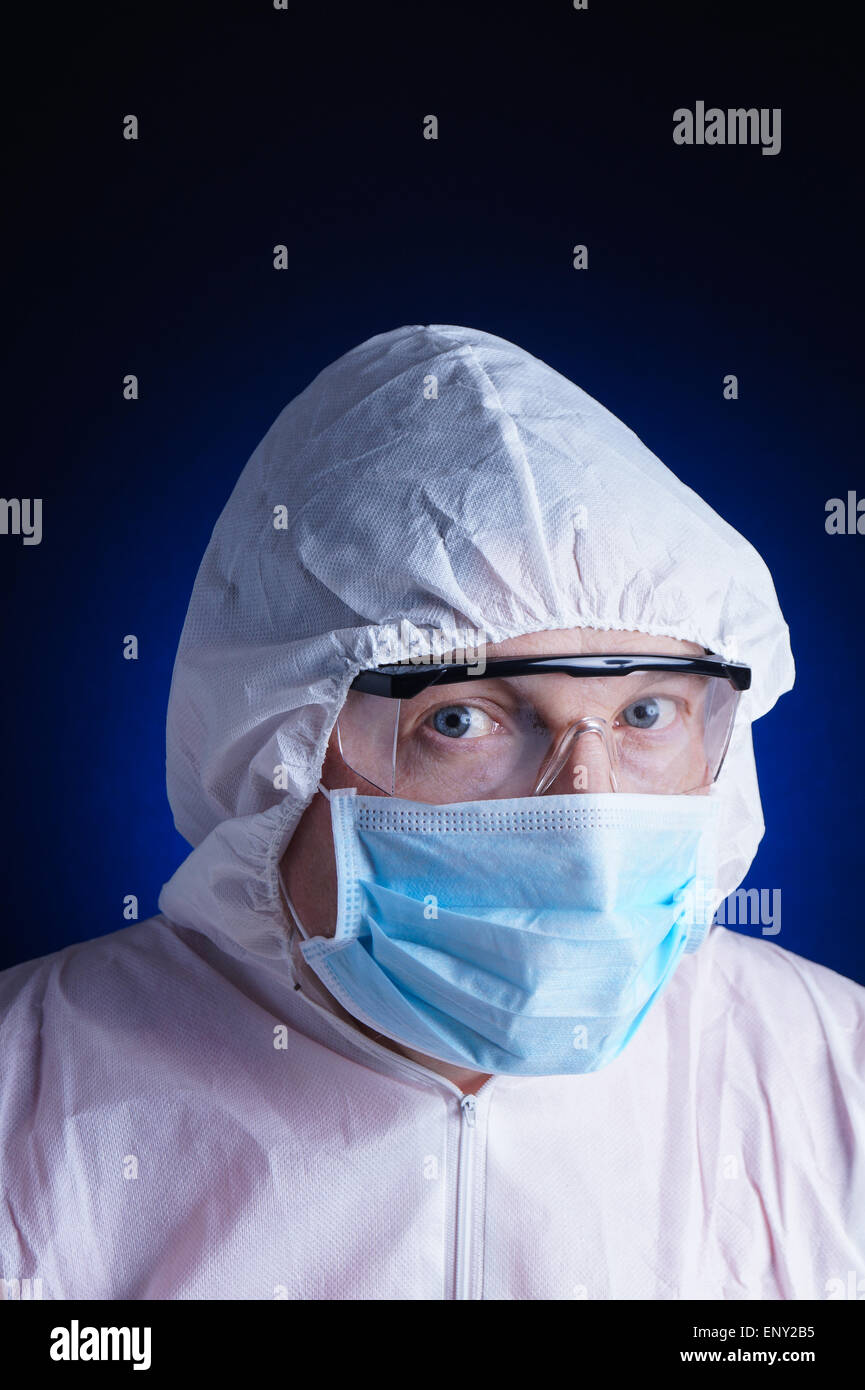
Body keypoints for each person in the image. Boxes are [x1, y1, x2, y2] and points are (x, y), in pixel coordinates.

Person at [1, 324, 862, 1300]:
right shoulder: (28, 1098)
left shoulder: (830, 1082)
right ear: (281, 739)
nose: (588, 817)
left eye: (645, 711)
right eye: (463, 719)